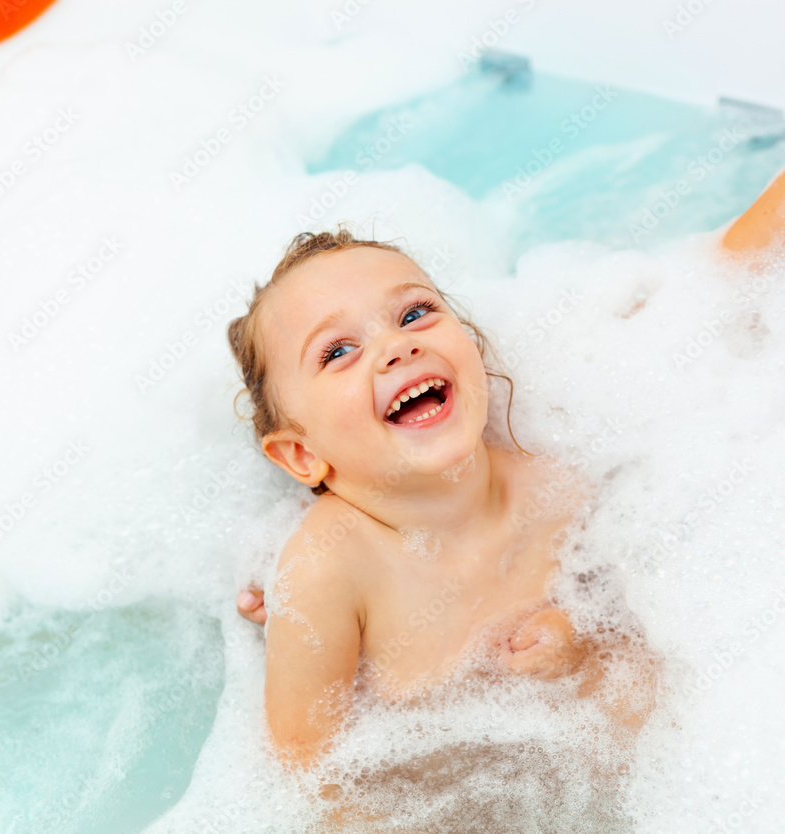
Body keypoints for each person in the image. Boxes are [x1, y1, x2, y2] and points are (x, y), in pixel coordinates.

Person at [228, 166, 785, 768]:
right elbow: (308, 782)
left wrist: (579, 651)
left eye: (414, 313)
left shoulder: (554, 488)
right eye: (337, 351)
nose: (398, 345)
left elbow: (656, 665)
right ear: (302, 455)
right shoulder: (328, 573)